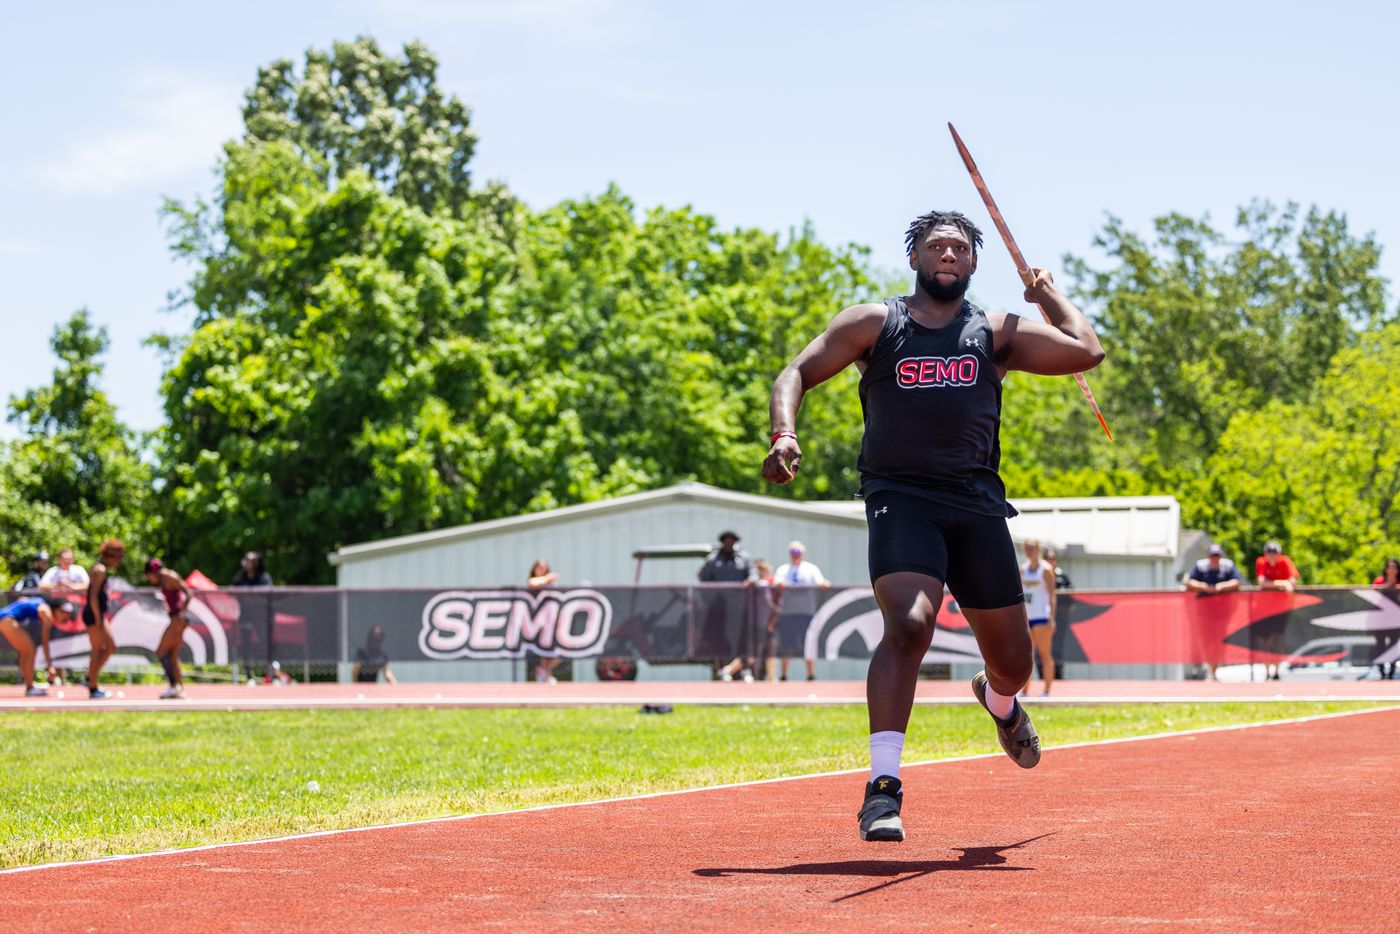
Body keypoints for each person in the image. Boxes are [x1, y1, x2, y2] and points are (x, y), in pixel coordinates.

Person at [762, 209, 1105, 843]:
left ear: (974, 263)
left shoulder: (997, 330)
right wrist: (785, 434)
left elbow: (1087, 350)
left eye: (958, 247)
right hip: (901, 498)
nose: (947, 253)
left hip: (976, 505)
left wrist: (1048, 291)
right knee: (910, 624)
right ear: (916, 259)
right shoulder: (874, 323)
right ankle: (882, 789)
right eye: (934, 245)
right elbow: (796, 372)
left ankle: (999, 702)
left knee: (1014, 664)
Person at [1184, 543, 1244, 680]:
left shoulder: (1227, 566)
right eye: (1212, 556)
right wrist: (1204, 587)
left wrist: (1221, 587)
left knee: (1219, 641)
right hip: (1204, 613)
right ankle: (1208, 668)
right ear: (1208, 556)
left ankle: (1214, 670)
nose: (1215, 558)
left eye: (1217, 556)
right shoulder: (1200, 566)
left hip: (1223, 612)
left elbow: (1237, 581)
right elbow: (1189, 582)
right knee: (1206, 641)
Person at [697, 531, 756, 670]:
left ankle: (741, 669)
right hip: (718, 608)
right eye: (726, 541)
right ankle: (720, 667)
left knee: (740, 636)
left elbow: (753, 575)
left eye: (732, 541)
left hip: (739, 606)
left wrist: (751, 581)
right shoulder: (712, 560)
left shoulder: (744, 558)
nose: (729, 543)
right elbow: (704, 579)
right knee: (719, 637)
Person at [773, 541, 831, 681]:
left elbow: (822, 583)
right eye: (792, 553)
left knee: (808, 643)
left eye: (797, 553)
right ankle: (784, 675)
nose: (795, 556)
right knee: (787, 644)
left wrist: (825, 584)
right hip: (788, 612)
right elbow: (777, 583)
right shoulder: (783, 569)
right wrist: (783, 585)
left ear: (803, 554)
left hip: (807, 612)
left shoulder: (811, 569)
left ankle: (810, 675)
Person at [0, 597, 74, 696]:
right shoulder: (47, 614)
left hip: (5, 617)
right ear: (57, 609)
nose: (66, 619)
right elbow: (45, 642)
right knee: (30, 651)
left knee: (25, 652)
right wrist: (49, 665)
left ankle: (28, 682)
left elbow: (22, 599)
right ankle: (29, 687)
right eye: (65, 616)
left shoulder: (40, 601)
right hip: (7, 619)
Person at [720, 557, 777, 682]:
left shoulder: (760, 584)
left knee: (769, 650)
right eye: (768, 572)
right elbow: (768, 603)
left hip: (764, 623)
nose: (770, 574)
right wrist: (778, 609)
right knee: (753, 653)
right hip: (759, 624)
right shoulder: (762, 584)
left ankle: (772, 677)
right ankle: (728, 670)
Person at [144, 558, 194, 699]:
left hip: (178, 619)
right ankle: (180, 688)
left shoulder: (170, 577)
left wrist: (182, 613)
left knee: (160, 652)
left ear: (153, 572)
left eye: (149, 577)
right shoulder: (165, 580)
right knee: (172, 655)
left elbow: (188, 593)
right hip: (176, 618)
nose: (150, 580)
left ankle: (174, 686)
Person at [81, 539, 125, 699]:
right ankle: (92, 685)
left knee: (106, 648)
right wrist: (98, 618)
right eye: (118, 557)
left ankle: (89, 678)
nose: (119, 561)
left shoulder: (99, 568)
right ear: (111, 555)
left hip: (97, 614)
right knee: (102, 648)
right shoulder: (100, 570)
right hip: (95, 615)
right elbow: (93, 596)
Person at [1255, 541, 1300, 680]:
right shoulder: (1261, 562)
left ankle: (1276, 670)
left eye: (1275, 553)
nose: (1272, 556)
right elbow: (1262, 582)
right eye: (1269, 553)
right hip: (1263, 609)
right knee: (1264, 641)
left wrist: (1281, 583)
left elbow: (1293, 579)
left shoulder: (1285, 561)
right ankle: (1267, 670)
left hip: (1280, 609)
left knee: (1277, 640)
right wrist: (1282, 583)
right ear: (1265, 554)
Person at [1020, 539, 1056, 696]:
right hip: (1027, 617)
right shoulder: (1022, 570)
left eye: (1032, 547)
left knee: (1045, 655)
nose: (1029, 550)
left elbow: (1052, 594)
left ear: (1039, 549)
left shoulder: (1046, 569)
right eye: (1027, 548)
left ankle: (1047, 691)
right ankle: (1025, 691)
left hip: (1042, 616)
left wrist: (1052, 616)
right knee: (1026, 657)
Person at [526, 559, 562, 683]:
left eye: (544, 568)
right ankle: (546, 675)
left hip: (551, 619)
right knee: (543, 650)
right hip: (535, 621)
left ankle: (544, 671)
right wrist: (548, 578)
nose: (541, 570)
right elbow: (532, 582)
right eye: (539, 567)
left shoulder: (550, 582)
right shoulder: (538, 580)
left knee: (559, 651)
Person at [1372, 557, 1400, 680]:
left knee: (1394, 646)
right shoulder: (1379, 581)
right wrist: (1388, 585)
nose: (1392, 570)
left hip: (1395, 620)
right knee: (1380, 645)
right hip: (1380, 619)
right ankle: (1382, 672)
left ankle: (1391, 672)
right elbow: (1374, 595)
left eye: (1394, 567)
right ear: (1386, 569)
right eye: (1390, 567)